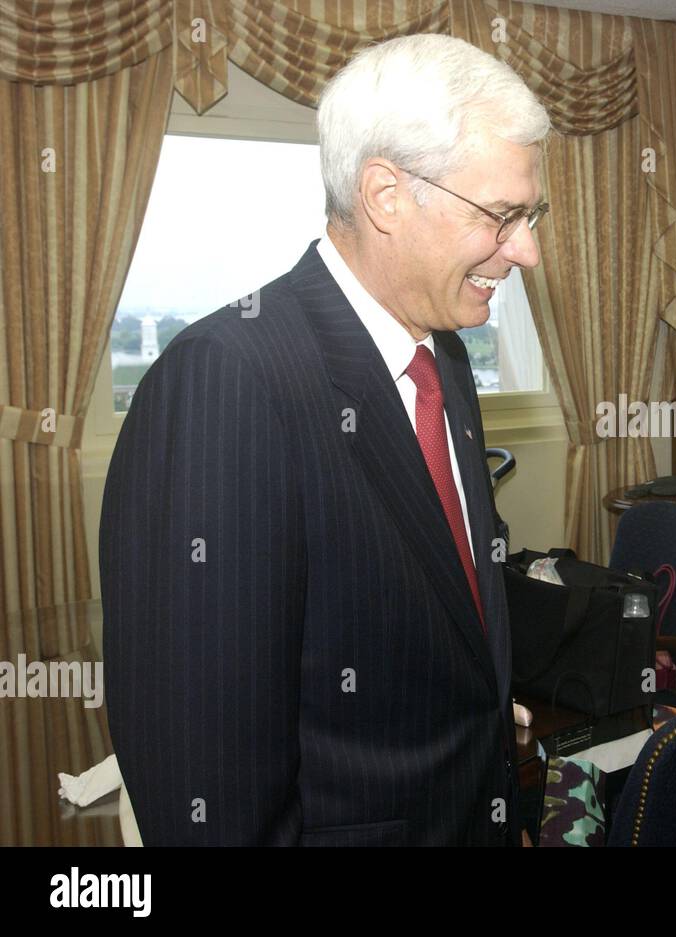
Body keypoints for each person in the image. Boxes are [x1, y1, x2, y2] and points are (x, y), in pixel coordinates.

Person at [101, 34, 551, 845]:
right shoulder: (225, 383)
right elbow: (208, 788)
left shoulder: (442, 355)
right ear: (385, 194)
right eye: (503, 215)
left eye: (532, 214)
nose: (527, 249)